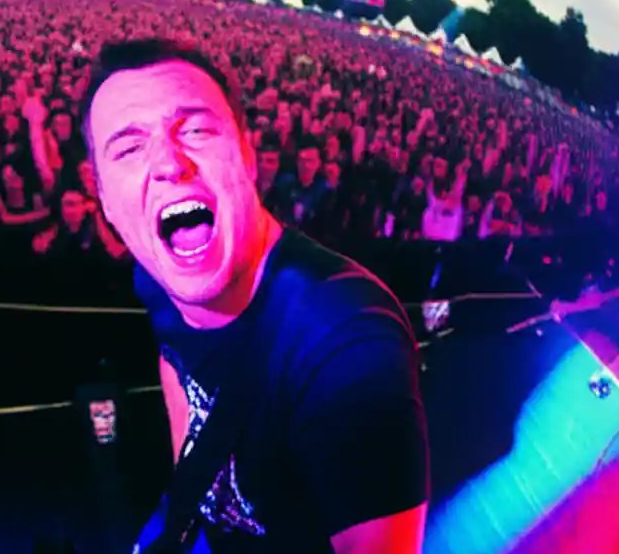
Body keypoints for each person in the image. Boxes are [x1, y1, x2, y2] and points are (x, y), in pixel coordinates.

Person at [81, 39, 428, 553]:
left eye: (195, 130)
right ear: (105, 199)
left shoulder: (348, 342)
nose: (169, 164)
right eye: (129, 148)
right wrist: (191, 483)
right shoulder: (156, 275)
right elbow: (175, 354)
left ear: (248, 155)